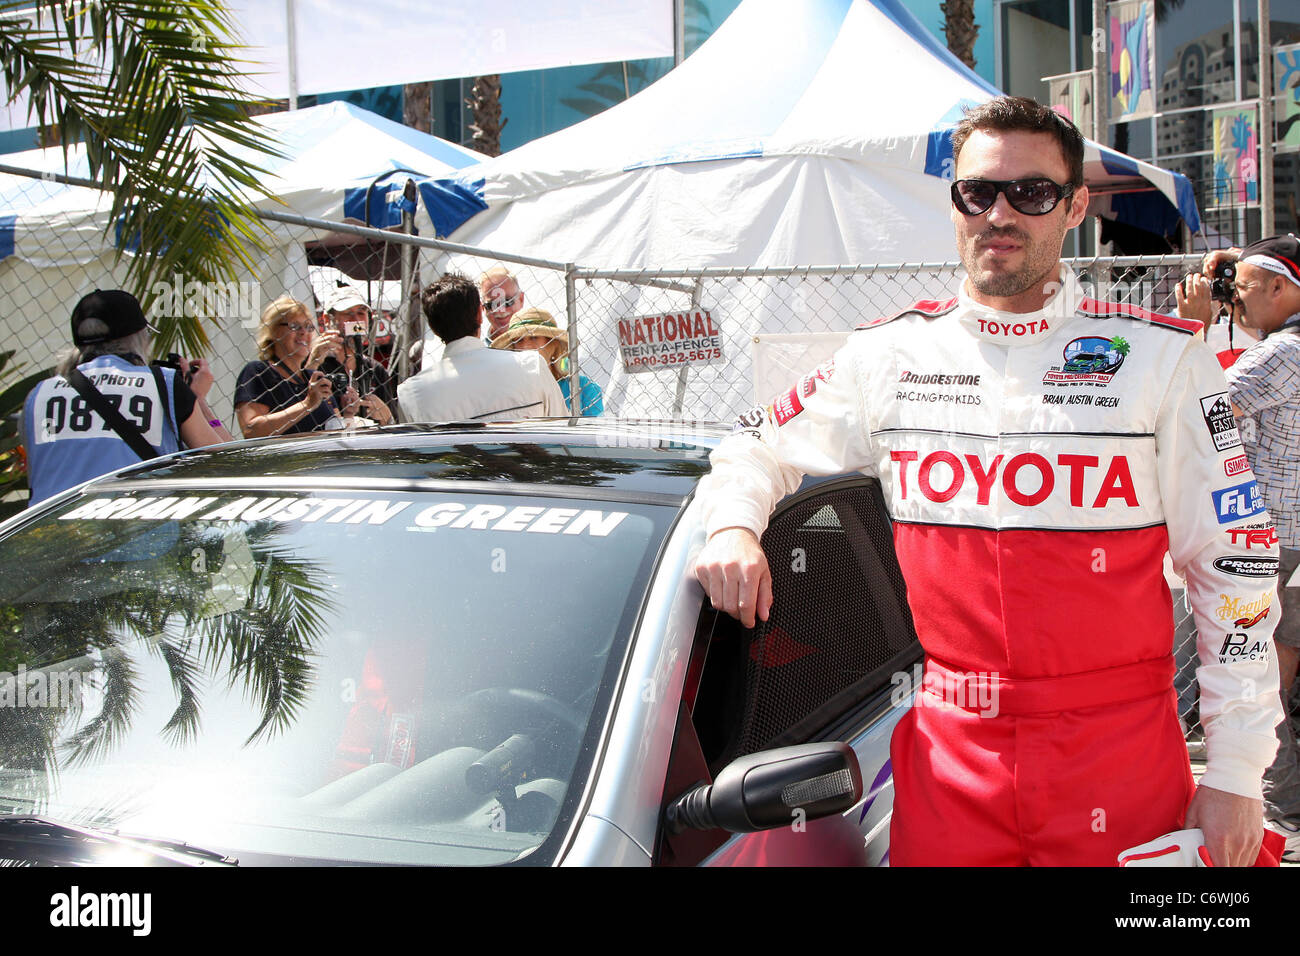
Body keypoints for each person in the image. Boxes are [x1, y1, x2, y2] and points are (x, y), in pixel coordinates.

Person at [693, 95, 1283, 866]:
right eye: (978, 193)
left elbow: (1232, 565)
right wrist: (734, 524)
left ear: (1074, 207)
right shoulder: (889, 357)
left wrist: (1237, 770)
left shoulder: (1163, 358)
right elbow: (755, 444)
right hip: (949, 760)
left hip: (1122, 756)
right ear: (956, 204)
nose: (999, 214)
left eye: (1031, 193)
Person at [1177, 235, 1300, 862]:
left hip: (1276, 542)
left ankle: (1279, 810)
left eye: (1245, 286)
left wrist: (1191, 331)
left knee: (1260, 681)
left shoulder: (1283, 354)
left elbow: (1200, 409)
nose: (1238, 299)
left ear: (1281, 289)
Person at [22, 288, 231, 504]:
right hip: (139, 528)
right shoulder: (162, 383)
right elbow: (220, 460)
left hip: (51, 530)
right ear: (140, 338)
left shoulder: (38, 395)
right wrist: (198, 400)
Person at [398, 273, 567, 423]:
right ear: (480, 313)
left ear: (432, 327)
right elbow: (563, 430)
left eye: (508, 302)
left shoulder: (411, 393)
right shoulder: (531, 365)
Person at [233, 295, 359, 438]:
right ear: (272, 331)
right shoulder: (259, 372)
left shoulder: (314, 377)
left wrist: (348, 414)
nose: (303, 332)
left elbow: (338, 432)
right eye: (294, 326)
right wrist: (307, 405)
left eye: (308, 326)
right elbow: (251, 431)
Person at [490, 307, 604, 416]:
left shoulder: (584, 388)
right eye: (518, 340)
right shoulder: (505, 392)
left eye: (533, 337)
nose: (525, 346)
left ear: (552, 344)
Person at [318, 286, 396, 426]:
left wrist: (387, 417)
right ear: (328, 319)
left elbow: (393, 425)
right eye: (348, 313)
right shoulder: (318, 364)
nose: (355, 320)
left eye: (361, 313)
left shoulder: (375, 369)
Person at [479, 265, 526, 342]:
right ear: (483, 307)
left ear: (521, 299)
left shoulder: (543, 342)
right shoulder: (480, 351)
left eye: (507, 302)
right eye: (491, 304)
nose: (500, 310)